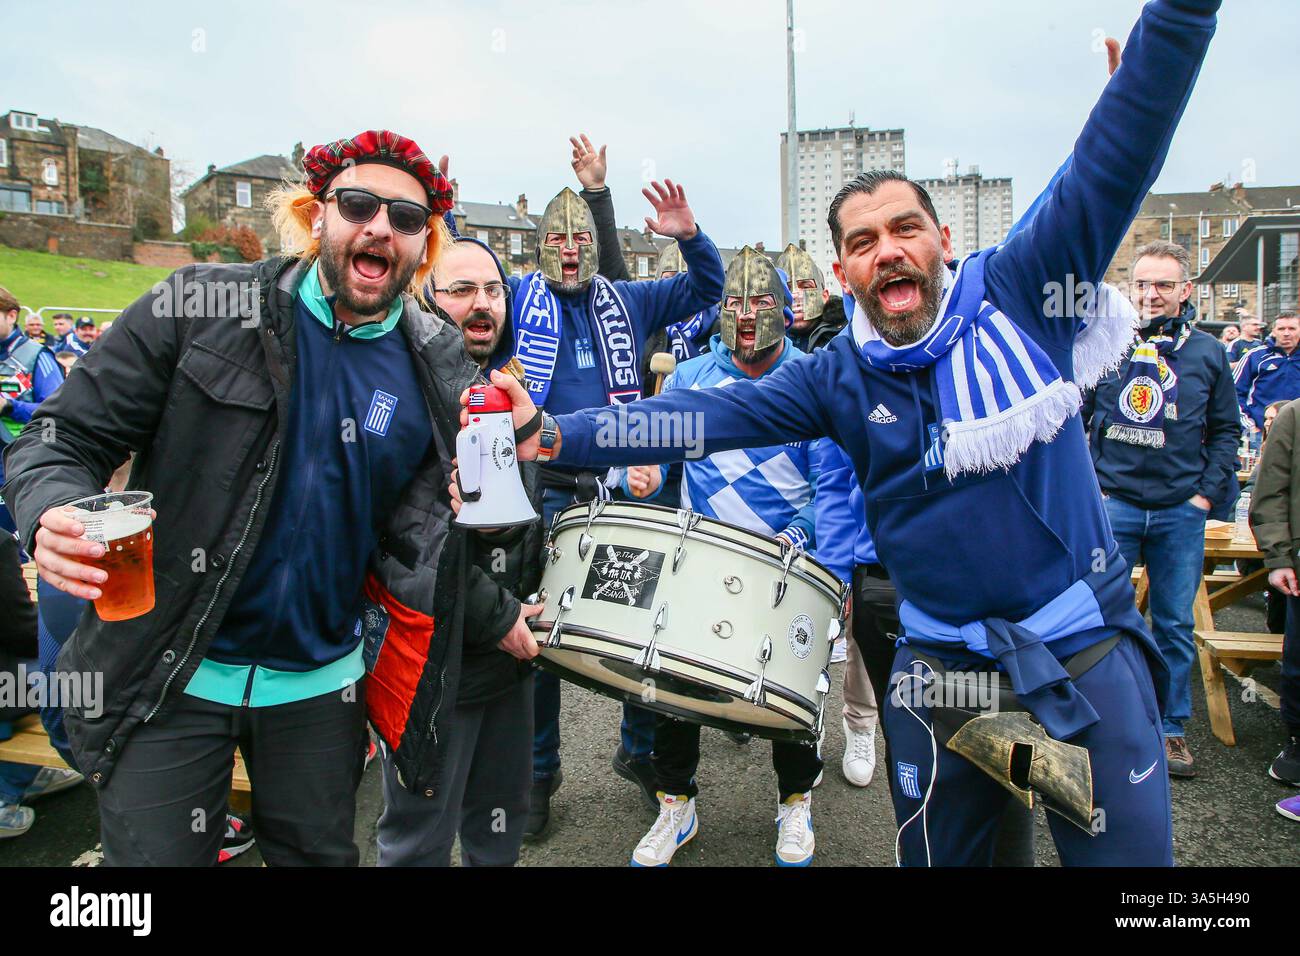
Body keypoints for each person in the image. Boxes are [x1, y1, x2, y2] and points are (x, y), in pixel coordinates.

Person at [490, 0, 1221, 865]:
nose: (889, 251)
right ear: (842, 270)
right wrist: (555, 435)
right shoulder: (834, 375)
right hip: (942, 673)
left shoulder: (1026, 288)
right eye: (863, 241)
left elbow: (1122, 147)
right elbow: (693, 419)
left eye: (906, 229)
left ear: (944, 240)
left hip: (1080, 653)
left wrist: (1173, 24)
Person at [2, 128, 537, 866]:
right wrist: (49, 510)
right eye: (357, 204)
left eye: (406, 218)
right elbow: (60, 436)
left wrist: (490, 488)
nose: (380, 225)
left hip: (322, 688)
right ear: (318, 214)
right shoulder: (202, 303)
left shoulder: (439, 359)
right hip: (171, 667)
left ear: (423, 246)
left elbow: (450, 536)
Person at [509, 146, 725, 837]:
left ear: (595, 249)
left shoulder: (628, 299)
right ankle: (539, 775)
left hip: (621, 493)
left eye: (580, 241)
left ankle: (638, 754)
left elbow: (705, 290)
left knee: (636, 632)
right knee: (537, 641)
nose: (569, 253)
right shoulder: (517, 300)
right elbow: (459, 306)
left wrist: (689, 236)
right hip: (541, 493)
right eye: (555, 241)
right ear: (538, 249)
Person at [620, 248, 822, 866]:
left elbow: (835, 486)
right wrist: (648, 473)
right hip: (704, 556)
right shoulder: (689, 378)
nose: (746, 314)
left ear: (787, 310)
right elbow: (659, 458)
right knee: (677, 686)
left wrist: (804, 535)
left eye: (762, 302)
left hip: (790, 563)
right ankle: (675, 804)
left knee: (795, 689)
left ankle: (795, 803)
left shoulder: (814, 378)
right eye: (734, 302)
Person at [373, 235, 541, 866]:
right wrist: (498, 616)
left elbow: (513, 519)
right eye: (463, 289)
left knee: (500, 827)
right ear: (427, 297)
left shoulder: (505, 381)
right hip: (432, 659)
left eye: (494, 289)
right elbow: (399, 534)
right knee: (418, 837)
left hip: (508, 655)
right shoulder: (399, 384)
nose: (482, 305)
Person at [1082, 240, 1240, 778]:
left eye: (1164, 285)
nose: (1152, 294)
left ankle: (1171, 729)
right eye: (1144, 283)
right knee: (1101, 619)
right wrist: (1091, 490)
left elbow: (1224, 431)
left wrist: (1203, 496)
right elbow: (1071, 418)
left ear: (1185, 291)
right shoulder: (1105, 340)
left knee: (1173, 625)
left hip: (1179, 512)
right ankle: (1099, 721)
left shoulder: (1209, 353)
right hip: (1114, 506)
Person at [1246, 396, 1300, 822]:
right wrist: (1278, 558)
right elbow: (1271, 489)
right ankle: (1297, 740)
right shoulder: (1293, 415)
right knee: (1297, 664)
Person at [0, 286, 63, 535]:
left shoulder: (37, 355)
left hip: (20, 462)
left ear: (12, 315)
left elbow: (56, 412)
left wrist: (9, 406)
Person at [1235, 310, 1300, 431]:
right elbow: (1233, 393)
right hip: (1262, 431)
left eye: (1292, 328)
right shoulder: (1255, 357)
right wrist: (1250, 426)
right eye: (1281, 329)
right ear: (1273, 331)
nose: (1286, 333)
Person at [776, 243, 846, 352]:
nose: (795, 295)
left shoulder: (846, 334)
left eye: (805, 287)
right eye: (787, 289)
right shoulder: (767, 345)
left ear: (825, 296)